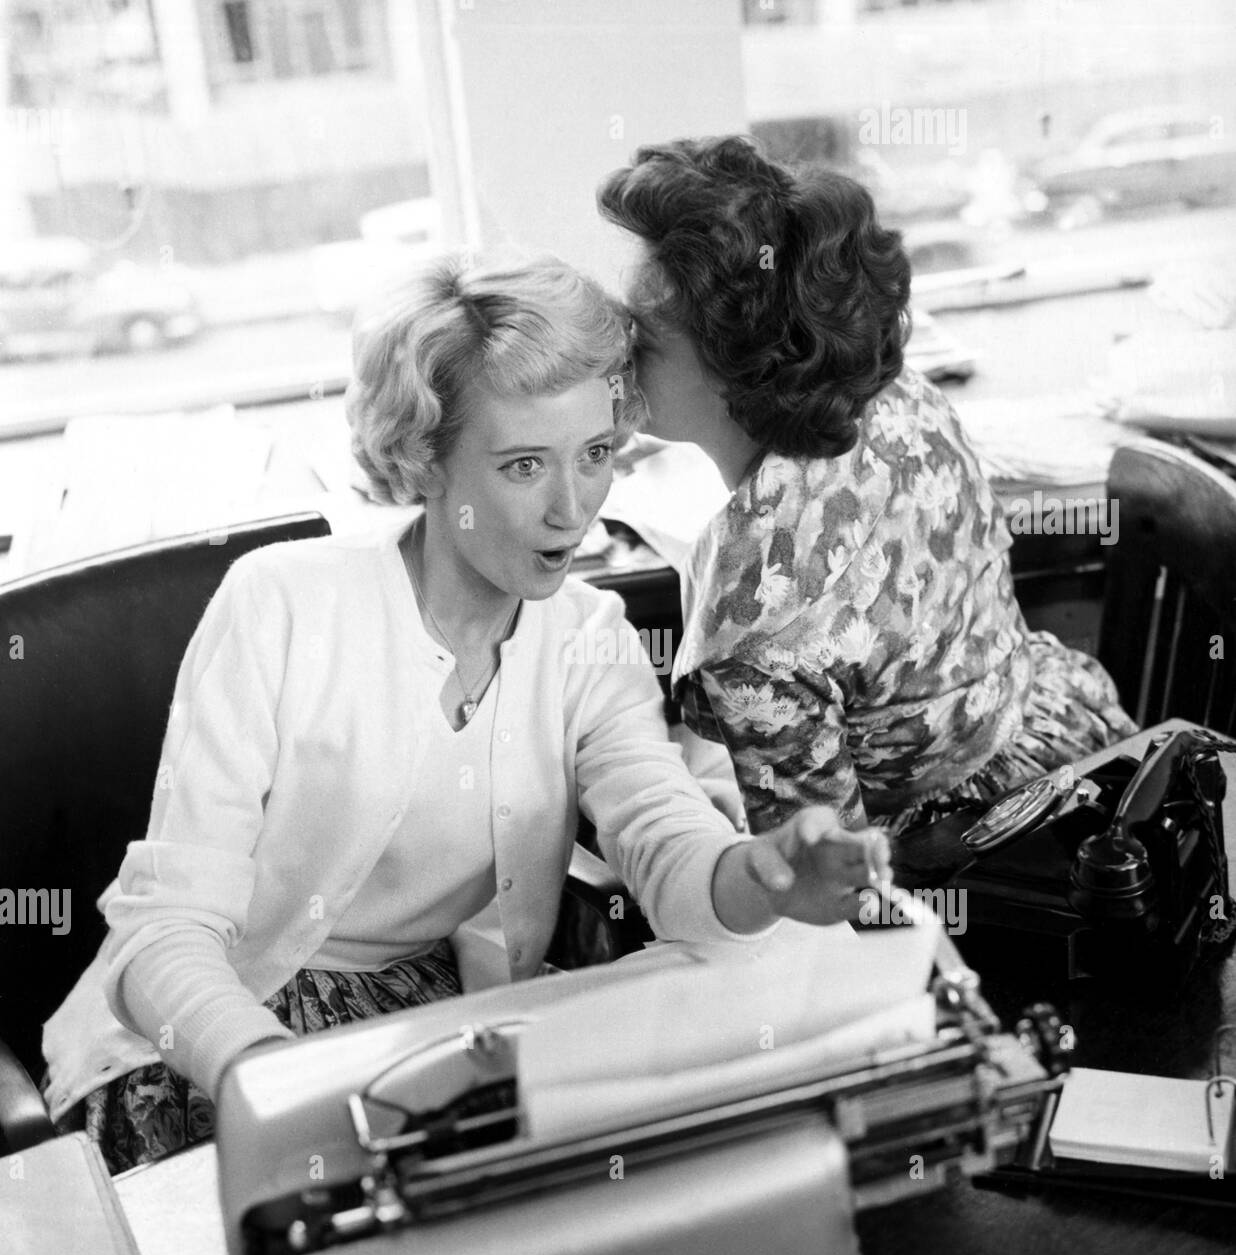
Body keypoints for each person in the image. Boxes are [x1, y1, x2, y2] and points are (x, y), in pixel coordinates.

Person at [42, 251, 888, 1175]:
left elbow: (663, 836)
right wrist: (274, 1083)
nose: (572, 510)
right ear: (424, 456)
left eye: (596, 455)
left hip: (433, 1022)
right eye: (525, 465)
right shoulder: (278, 605)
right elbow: (163, 933)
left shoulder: (589, 634)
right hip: (211, 1034)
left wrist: (761, 877)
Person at [597, 135, 1137, 837]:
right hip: (1066, 733)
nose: (616, 353)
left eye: (639, 336)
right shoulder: (890, 393)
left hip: (981, 848)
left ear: (733, 368)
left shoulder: (754, 637)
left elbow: (829, 886)